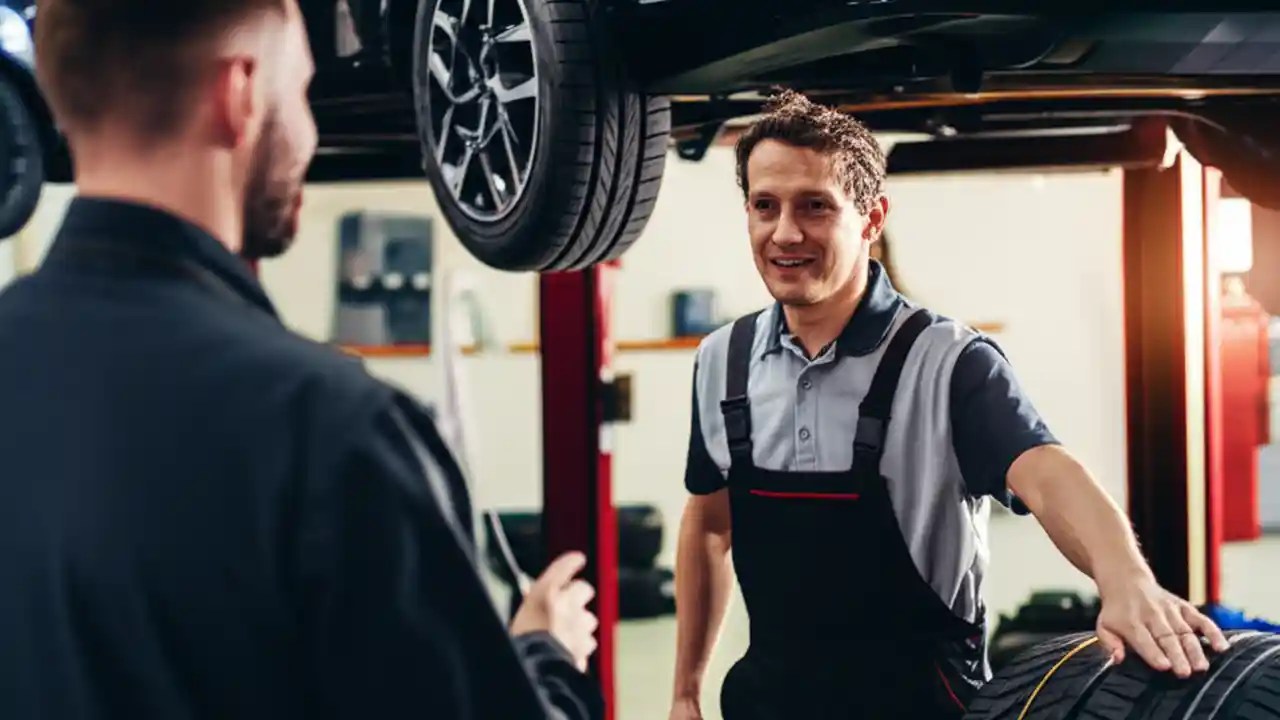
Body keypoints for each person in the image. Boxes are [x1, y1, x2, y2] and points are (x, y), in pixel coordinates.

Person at [0, 1, 601, 718]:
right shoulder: (329, 430)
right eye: (301, 95)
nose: (309, 134)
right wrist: (544, 655)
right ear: (240, 96)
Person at [667, 90, 1231, 720]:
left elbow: (1046, 473)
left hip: (924, 706)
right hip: (769, 703)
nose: (785, 232)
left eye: (815, 207)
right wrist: (686, 690)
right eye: (764, 206)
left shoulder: (948, 361)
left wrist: (1124, 578)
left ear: (872, 218)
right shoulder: (723, 359)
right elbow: (710, 524)